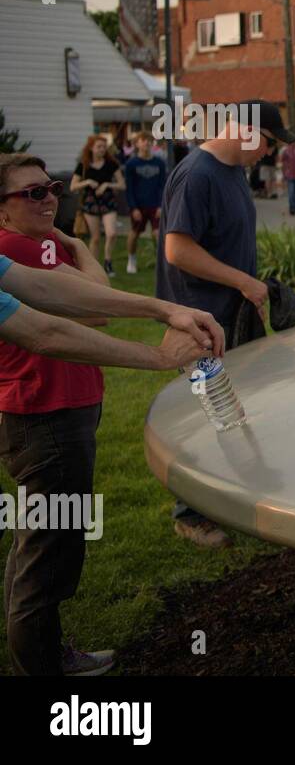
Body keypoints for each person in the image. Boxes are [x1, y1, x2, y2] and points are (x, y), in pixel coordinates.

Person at [0, 223, 221, 676]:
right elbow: (43, 331)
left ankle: (41, 656)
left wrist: (164, 310)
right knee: (45, 558)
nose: (48, 200)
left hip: (48, 418)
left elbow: (41, 286)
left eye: (52, 188)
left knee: (38, 549)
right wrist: (158, 356)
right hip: (42, 419)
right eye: (33, 191)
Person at [156, 99, 294, 549]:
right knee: (204, 416)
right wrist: (241, 281)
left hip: (228, 316)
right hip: (197, 317)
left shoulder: (233, 173)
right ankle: (189, 514)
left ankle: (227, 497)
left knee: (233, 413)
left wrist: (251, 289)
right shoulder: (198, 174)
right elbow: (177, 250)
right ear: (246, 130)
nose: (270, 154)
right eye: (270, 143)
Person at [71, 135, 125, 277]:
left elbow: (121, 184)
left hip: (108, 201)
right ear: (91, 148)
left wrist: (107, 184)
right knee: (95, 238)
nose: (102, 149)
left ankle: (108, 261)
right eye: (98, 146)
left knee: (111, 233)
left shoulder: (111, 163)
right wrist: (87, 182)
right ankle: (93, 267)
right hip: (91, 202)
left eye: (104, 146)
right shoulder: (83, 165)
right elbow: (73, 186)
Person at [122, 133, 167, 275]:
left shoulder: (159, 163)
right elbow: (129, 188)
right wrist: (133, 207)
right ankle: (131, 259)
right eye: (143, 141)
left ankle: (162, 263)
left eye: (149, 141)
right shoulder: (131, 164)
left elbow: (162, 185)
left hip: (155, 205)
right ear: (137, 144)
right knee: (134, 234)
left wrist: (161, 205)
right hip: (138, 206)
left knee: (158, 234)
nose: (147, 143)